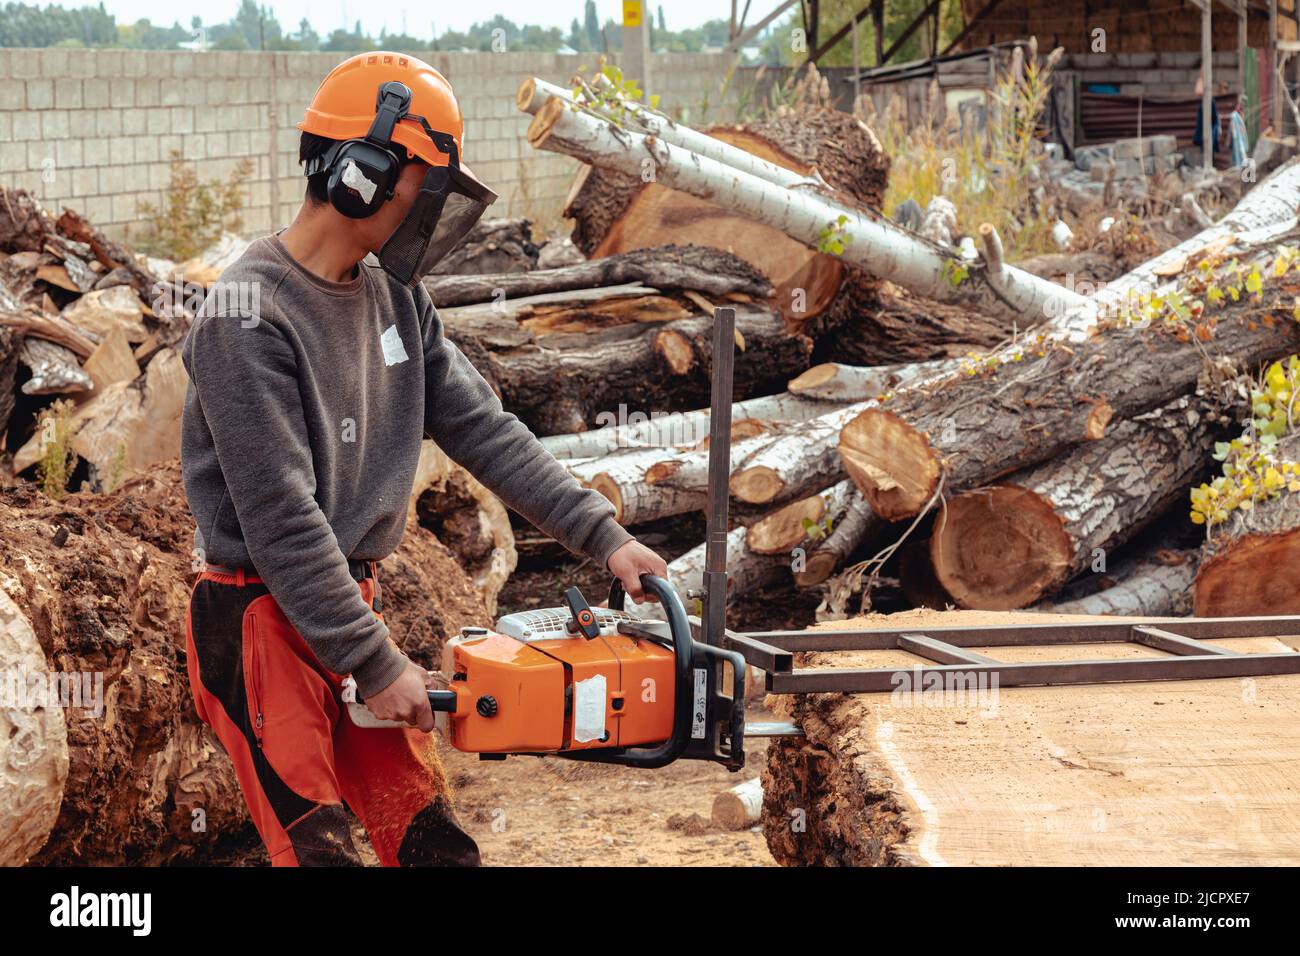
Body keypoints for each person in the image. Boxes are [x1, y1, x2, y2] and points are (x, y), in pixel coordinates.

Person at [179, 51, 669, 866]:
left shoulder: (395, 297)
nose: (431, 206)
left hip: (342, 605)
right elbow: (281, 519)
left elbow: (484, 428)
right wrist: (374, 662)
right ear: (362, 176)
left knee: (434, 845)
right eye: (423, 182)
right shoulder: (247, 314)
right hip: (258, 619)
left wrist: (603, 534)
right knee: (318, 850)